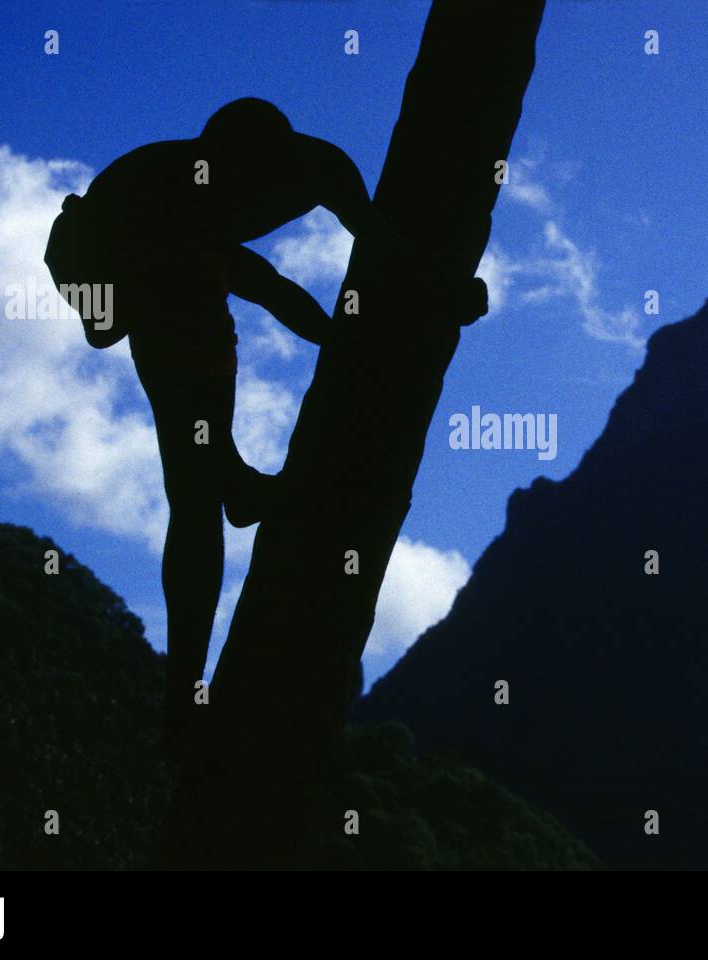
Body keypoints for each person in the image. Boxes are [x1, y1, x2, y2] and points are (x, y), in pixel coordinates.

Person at [43, 97, 487, 762]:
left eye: (246, 184)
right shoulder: (170, 195)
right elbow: (247, 285)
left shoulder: (317, 169)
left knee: (200, 412)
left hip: (171, 262)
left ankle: (235, 485)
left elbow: (361, 246)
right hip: (107, 252)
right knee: (193, 491)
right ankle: (185, 685)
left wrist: (442, 291)